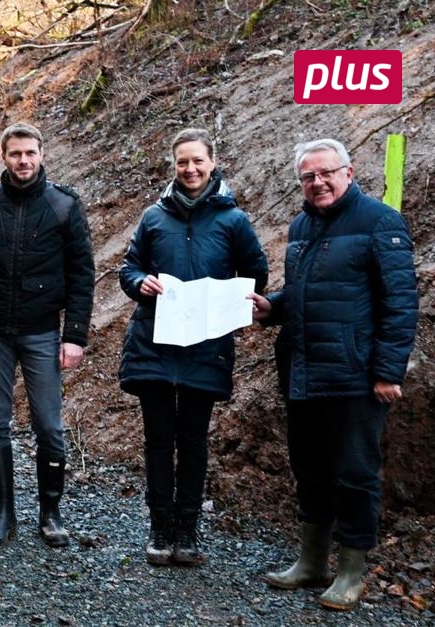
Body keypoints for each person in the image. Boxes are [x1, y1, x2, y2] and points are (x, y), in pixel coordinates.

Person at [252, 139, 417, 610]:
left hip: (355, 376)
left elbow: (400, 302)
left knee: (355, 473)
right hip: (304, 372)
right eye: (308, 177)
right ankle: (311, 563)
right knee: (310, 469)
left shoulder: (380, 221)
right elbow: (305, 291)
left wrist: (387, 371)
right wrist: (273, 307)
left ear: (349, 171)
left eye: (326, 173)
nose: (318, 183)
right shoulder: (302, 224)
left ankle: (350, 572)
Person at [117, 128, 268, 566]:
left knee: (194, 439)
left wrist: (228, 301)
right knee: (159, 438)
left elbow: (256, 273)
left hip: (206, 343)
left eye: (197, 161)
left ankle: (188, 530)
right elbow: (129, 268)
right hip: (155, 344)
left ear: (212, 161)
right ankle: (160, 527)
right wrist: (138, 283)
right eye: (182, 162)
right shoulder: (153, 217)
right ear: (173, 164)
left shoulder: (233, 220)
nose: (190, 169)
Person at [0, 122, 95, 551]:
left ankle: (50, 514)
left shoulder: (63, 206)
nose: (24, 161)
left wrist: (75, 336)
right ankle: (2, 514)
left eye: (30, 153)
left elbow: (82, 275)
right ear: (4, 157)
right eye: (16, 154)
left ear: (42, 155)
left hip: (42, 331)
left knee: (49, 426)